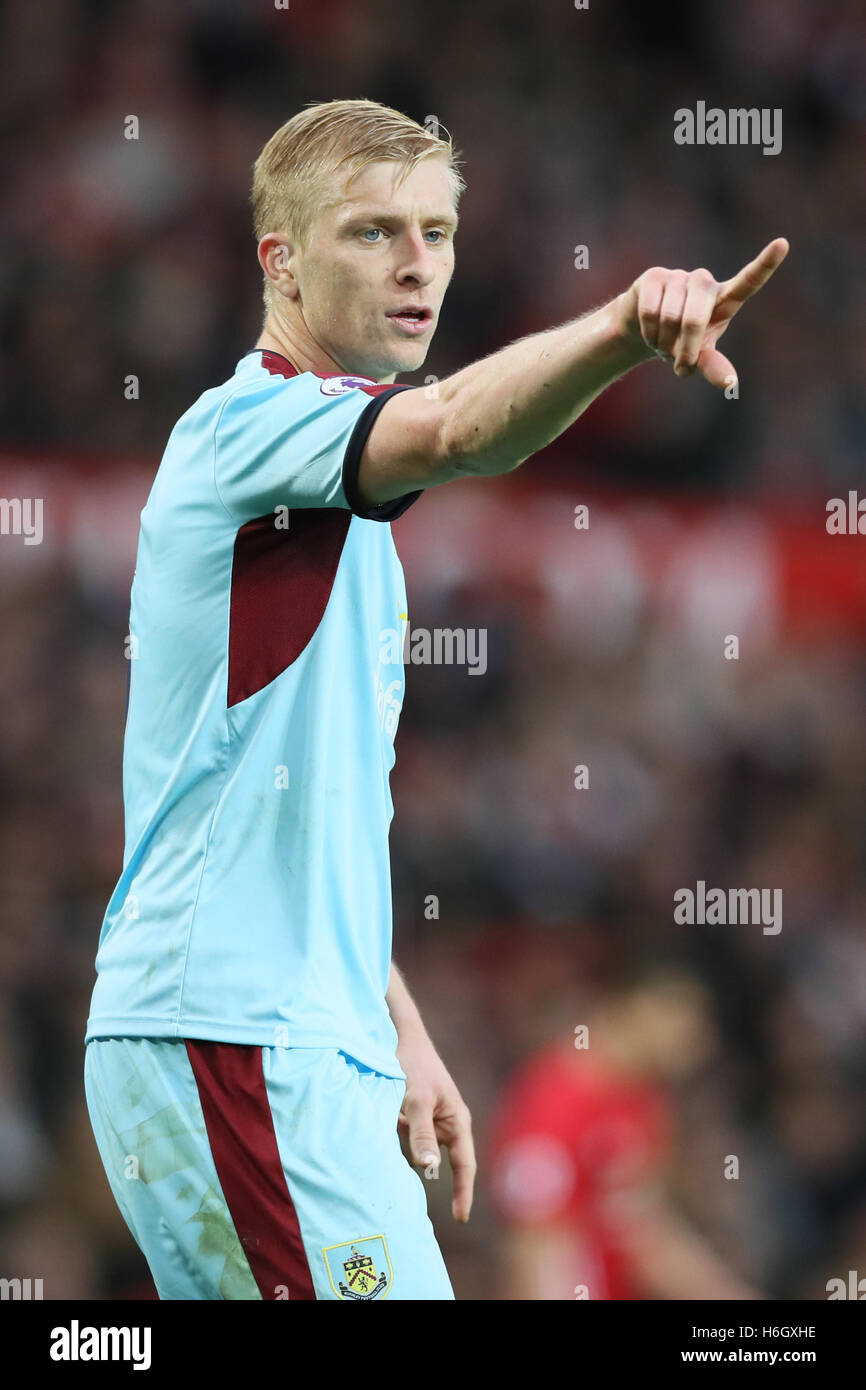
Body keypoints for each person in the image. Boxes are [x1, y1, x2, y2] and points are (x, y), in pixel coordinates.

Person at [83, 97, 788, 1300]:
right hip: (237, 1036)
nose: (418, 264)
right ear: (281, 261)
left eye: (438, 230)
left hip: (279, 1037)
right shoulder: (247, 429)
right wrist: (622, 326)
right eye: (371, 233)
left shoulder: (343, 510)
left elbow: (288, 812)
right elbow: (460, 424)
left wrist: (390, 1022)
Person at [487, 968, 763, 1299]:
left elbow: (645, 1232)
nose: (698, 1042)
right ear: (637, 1005)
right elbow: (535, 1247)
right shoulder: (551, 1103)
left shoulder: (642, 1100)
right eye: (687, 1020)